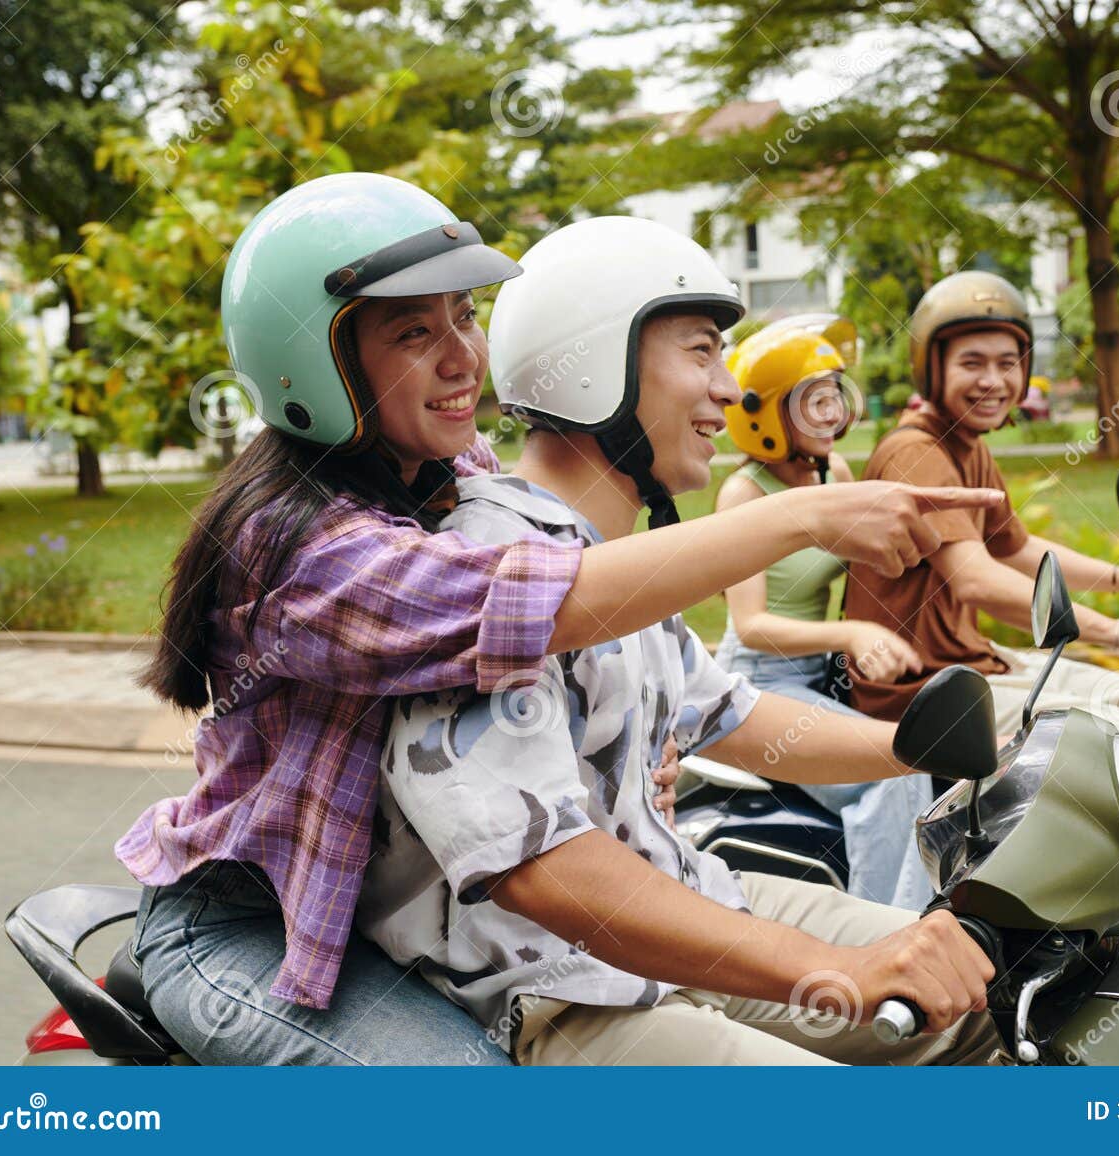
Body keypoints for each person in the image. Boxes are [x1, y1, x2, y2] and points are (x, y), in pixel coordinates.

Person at [118, 175, 996, 1065]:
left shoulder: (462, 482)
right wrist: (800, 519)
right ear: (316, 361)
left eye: (464, 315)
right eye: (414, 332)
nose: (464, 357)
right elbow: (534, 605)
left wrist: (914, 750)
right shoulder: (309, 547)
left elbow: (698, 696)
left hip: (435, 915)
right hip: (258, 926)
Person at [358, 216, 1008, 1067]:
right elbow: (543, 871)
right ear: (598, 364)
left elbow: (734, 715)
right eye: (702, 352)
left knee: (1004, 992)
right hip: (552, 990)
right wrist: (842, 968)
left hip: (681, 901)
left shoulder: (618, 562)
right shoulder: (487, 569)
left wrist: (924, 751)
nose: (730, 390)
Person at [842, 270, 1119, 768]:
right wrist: (1117, 632)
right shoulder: (916, 452)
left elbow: (1017, 550)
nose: (994, 381)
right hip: (918, 691)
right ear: (931, 368)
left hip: (966, 666)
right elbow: (979, 583)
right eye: (973, 363)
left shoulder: (968, 446)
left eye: (1008, 364)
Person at [712, 317, 934, 909]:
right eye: (812, 402)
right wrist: (853, 632)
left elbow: (877, 561)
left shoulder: (831, 473)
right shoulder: (744, 494)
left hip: (815, 677)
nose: (831, 414)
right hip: (760, 683)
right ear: (764, 415)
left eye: (834, 396)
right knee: (900, 772)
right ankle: (888, 938)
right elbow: (751, 626)